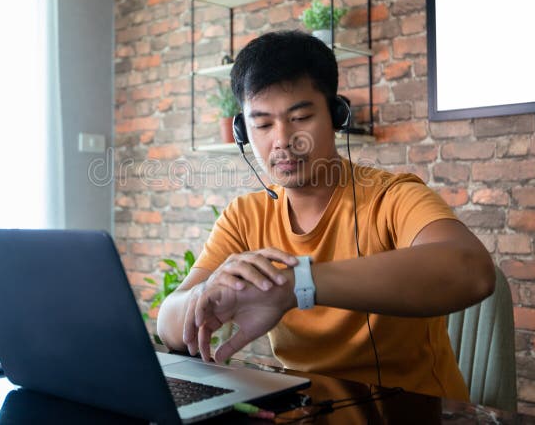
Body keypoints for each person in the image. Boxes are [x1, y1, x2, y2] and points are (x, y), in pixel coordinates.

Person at [157, 30, 495, 400]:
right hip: (308, 410)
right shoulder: (245, 217)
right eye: (264, 124)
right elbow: (168, 324)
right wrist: (204, 294)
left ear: (336, 116)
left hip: (411, 411)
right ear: (242, 131)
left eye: (300, 117)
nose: (283, 140)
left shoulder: (390, 196)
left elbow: (472, 270)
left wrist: (298, 285)